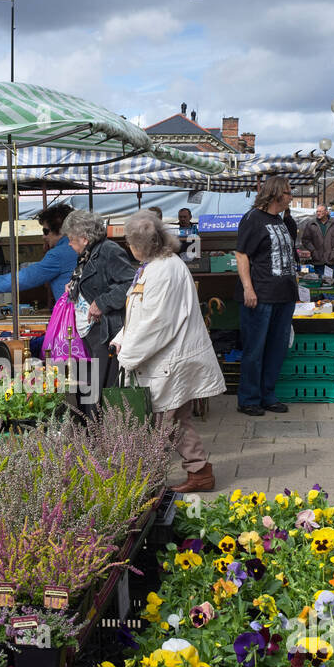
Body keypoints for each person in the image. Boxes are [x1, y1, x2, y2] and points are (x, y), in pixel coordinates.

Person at [113, 210, 226, 492]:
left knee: (159, 423)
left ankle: (149, 480)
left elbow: (157, 323)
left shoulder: (163, 271)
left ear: (140, 245)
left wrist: (127, 356)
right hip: (168, 359)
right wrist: (121, 338)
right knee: (175, 420)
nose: (129, 247)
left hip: (170, 361)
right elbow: (138, 312)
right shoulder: (158, 265)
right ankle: (198, 471)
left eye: (130, 242)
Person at [234, 176, 300, 416]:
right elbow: (242, 255)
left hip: (284, 295)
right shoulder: (252, 219)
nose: (291, 196)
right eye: (288, 192)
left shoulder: (280, 220)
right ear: (276, 194)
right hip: (261, 295)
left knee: (277, 347)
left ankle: (267, 395)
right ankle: (249, 398)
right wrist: (248, 288)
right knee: (255, 348)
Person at [62, 209, 137, 408]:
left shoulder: (109, 250)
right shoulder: (87, 254)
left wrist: (102, 302)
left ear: (84, 238)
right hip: (89, 333)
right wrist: (73, 287)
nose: (69, 243)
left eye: (71, 239)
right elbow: (88, 281)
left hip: (103, 332)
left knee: (98, 391)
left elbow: (131, 283)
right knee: (88, 390)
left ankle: (100, 435)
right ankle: (90, 434)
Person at [0, 204, 76, 302]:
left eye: (46, 231)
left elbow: (28, 277)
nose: (43, 236)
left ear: (60, 230)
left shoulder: (59, 254)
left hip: (72, 313)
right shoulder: (76, 247)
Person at [299, 204, 334, 273]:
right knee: (318, 280)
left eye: (320, 211)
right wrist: (313, 251)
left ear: (326, 212)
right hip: (317, 259)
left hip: (331, 259)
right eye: (317, 211)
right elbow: (305, 240)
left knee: (329, 281)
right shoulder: (311, 224)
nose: (318, 213)